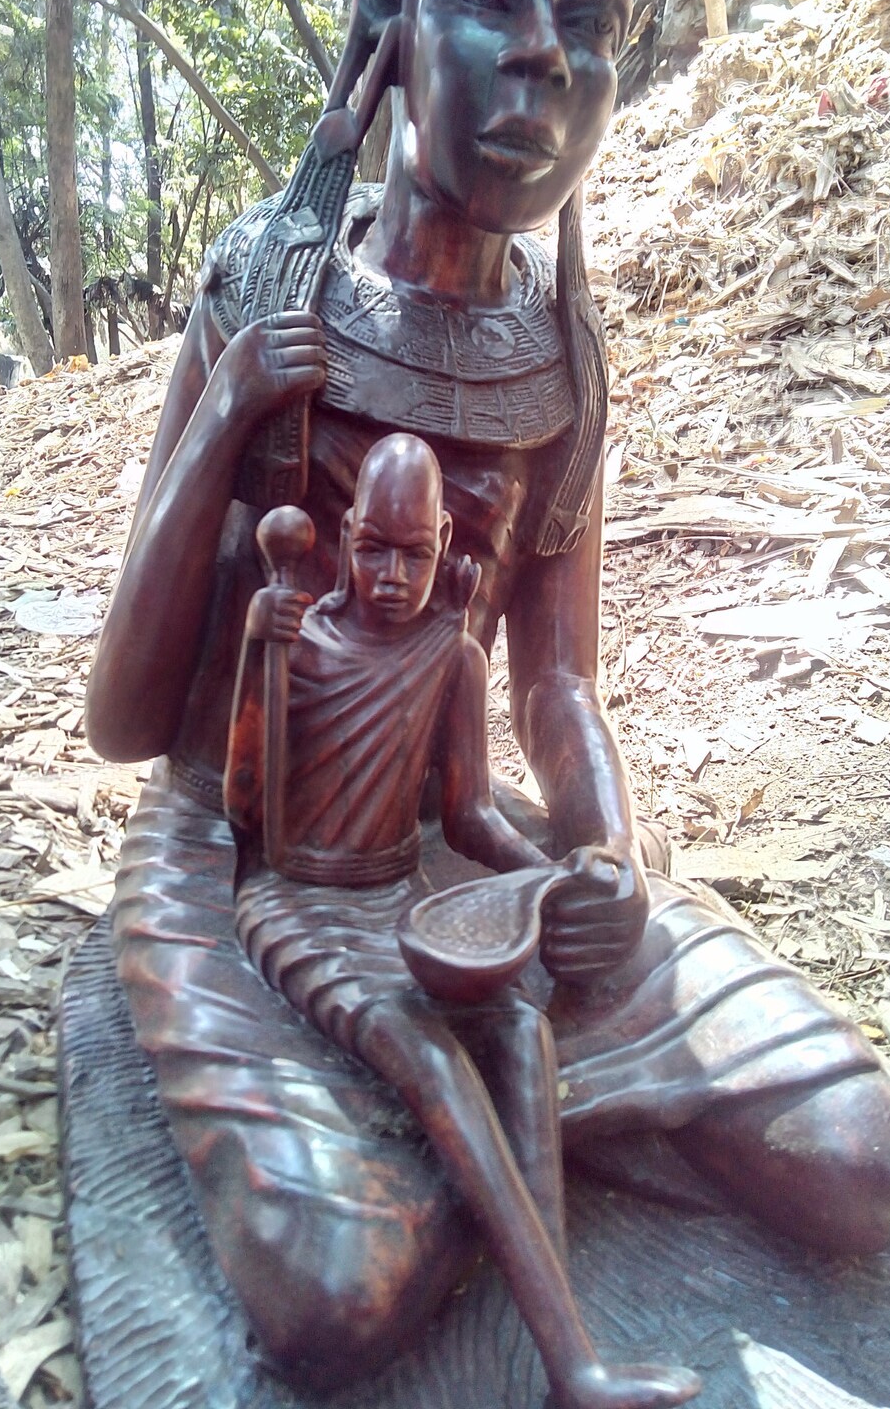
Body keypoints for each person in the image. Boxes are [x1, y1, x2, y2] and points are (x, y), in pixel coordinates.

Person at [84, 0, 890, 1388]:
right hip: (247, 864)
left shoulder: (558, 355)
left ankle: (487, 1133)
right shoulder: (265, 291)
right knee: (335, 1293)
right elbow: (125, 721)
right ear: (388, 24)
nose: (546, 61)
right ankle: (510, 1145)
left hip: (468, 856)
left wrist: (602, 857)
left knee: (869, 1159)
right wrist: (222, 422)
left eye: (593, 21)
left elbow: (554, 684)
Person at [224, 431, 699, 1409]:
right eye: (373, 549)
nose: (393, 575)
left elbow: (472, 815)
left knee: (521, 1028)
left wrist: (562, 867)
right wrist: (255, 661)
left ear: (444, 542)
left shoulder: (453, 655)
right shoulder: (301, 641)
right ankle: (568, 1355)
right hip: (300, 904)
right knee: (435, 1058)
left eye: (415, 552)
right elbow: (249, 812)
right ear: (342, 537)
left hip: (401, 894)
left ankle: (569, 1348)